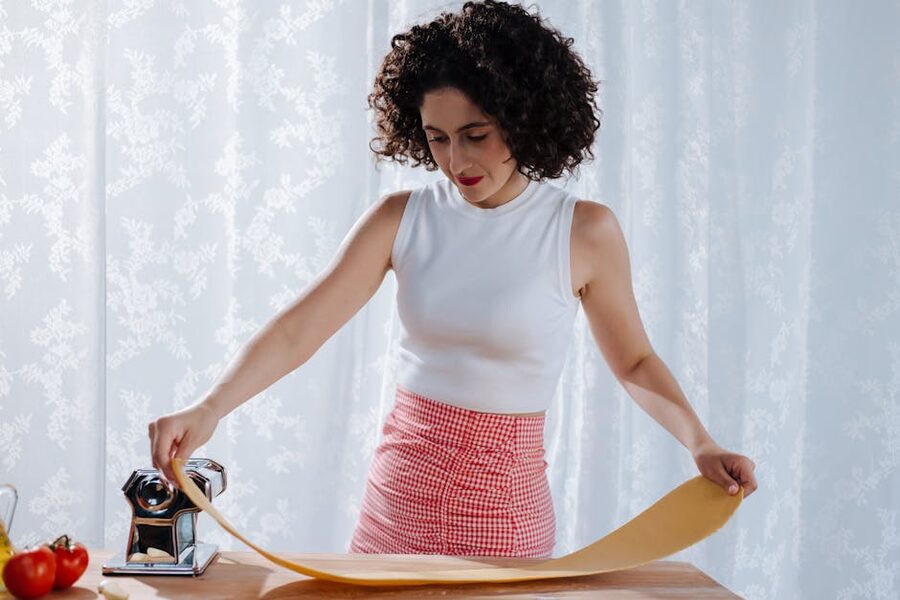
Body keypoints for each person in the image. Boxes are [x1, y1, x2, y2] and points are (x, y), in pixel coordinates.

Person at [148, 0, 757, 558]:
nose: (456, 161)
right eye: (437, 138)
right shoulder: (401, 219)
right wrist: (211, 407)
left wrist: (699, 442)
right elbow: (298, 332)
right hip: (396, 503)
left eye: (476, 136)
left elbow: (634, 362)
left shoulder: (582, 231)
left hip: (507, 515)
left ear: (523, 119)